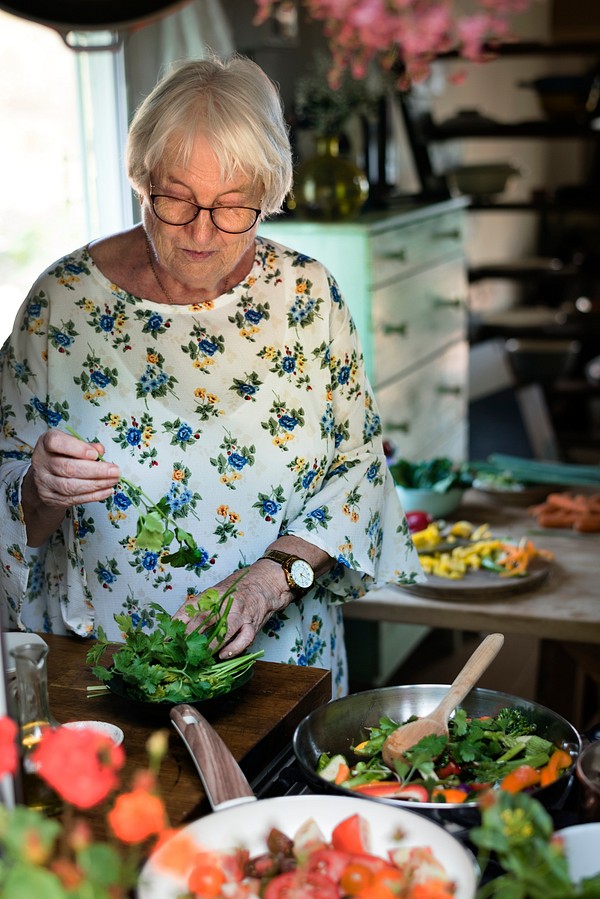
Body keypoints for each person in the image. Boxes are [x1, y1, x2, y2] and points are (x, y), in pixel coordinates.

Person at [0, 54, 422, 697]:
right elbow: (6, 482)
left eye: (233, 207)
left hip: (282, 672)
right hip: (105, 676)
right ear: (142, 181)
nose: (202, 231)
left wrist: (269, 580)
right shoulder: (63, 302)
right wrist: (36, 488)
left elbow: (356, 474)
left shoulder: (305, 296)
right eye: (176, 200)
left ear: (269, 196)